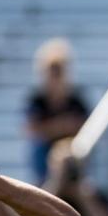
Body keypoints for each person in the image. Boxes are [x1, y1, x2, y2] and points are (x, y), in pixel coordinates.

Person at [25, 38, 89, 182]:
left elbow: (86, 127)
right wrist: (62, 126)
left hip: (72, 155)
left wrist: (52, 129)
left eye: (59, 71)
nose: (55, 77)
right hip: (44, 160)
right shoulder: (37, 101)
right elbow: (31, 130)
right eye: (52, 71)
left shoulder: (76, 100)